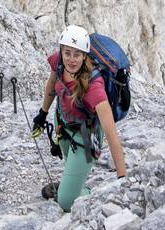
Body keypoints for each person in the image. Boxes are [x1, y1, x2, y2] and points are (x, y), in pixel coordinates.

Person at [33, 24, 127, 211]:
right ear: (62, 51)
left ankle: (85, 195)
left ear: (85, 56)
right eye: (67, 53)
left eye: (77, 54)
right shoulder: (59, 62)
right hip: (63, 123)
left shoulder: (94, 87)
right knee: (70, 165)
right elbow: (53, 83)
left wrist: (123, 180)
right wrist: (42, 114)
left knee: (66, 202)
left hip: (87, 135)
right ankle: (71, 185)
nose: (71, 59)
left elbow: (111, 134)